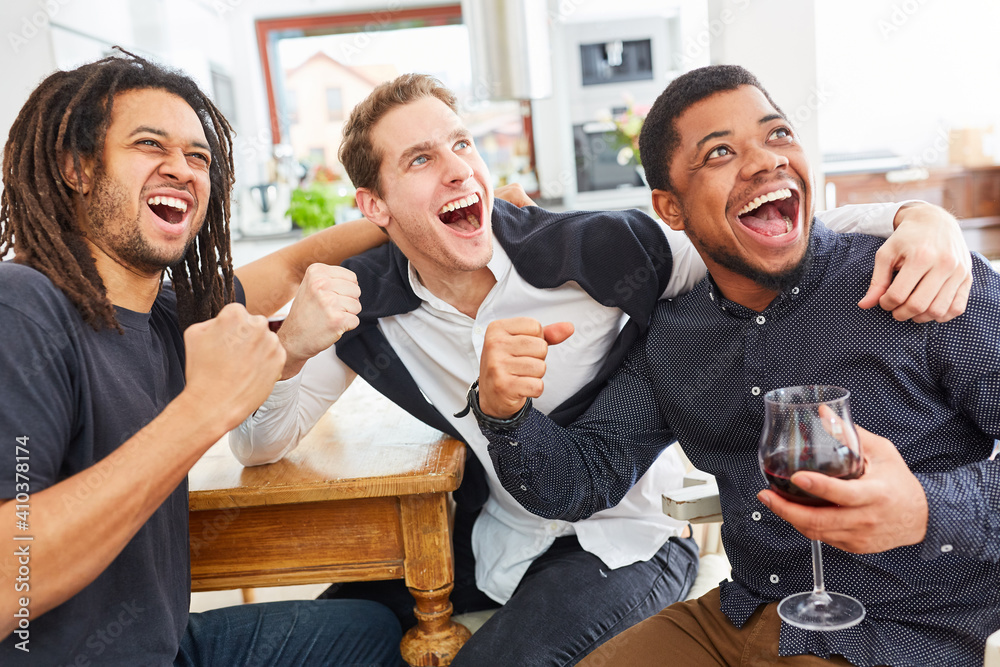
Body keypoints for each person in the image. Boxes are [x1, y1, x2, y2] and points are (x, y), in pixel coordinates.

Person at [231, 73, 974, 666]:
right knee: (319, 637)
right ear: (374, 205)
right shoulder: (363, 301)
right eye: (421, 159)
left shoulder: (598, 251)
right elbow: (259, 445)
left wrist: (922, 218)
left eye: (462, 144)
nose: (457, 168)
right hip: (502, 532)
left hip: (627, 537)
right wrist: (290, 348)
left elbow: (766, 241)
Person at [474, 65, 1000, 667]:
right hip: (738, 615)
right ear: (670, 208)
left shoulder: (922, 283)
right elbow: (581, 480)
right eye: (720, 152)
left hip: (902, 630)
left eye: (778, 135)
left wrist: (927, 510)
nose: (766, 160)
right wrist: (503, 412)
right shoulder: (675, 336)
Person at [0, 52, 401, 665]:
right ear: (76, 168)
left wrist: (438, 215)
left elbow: (297, 264)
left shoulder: (164, 312)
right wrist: (202, 411)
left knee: (375, 630)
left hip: (164, 648)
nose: (181, 169)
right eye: (148, 144)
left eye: (198, 156)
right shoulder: (23, 309)